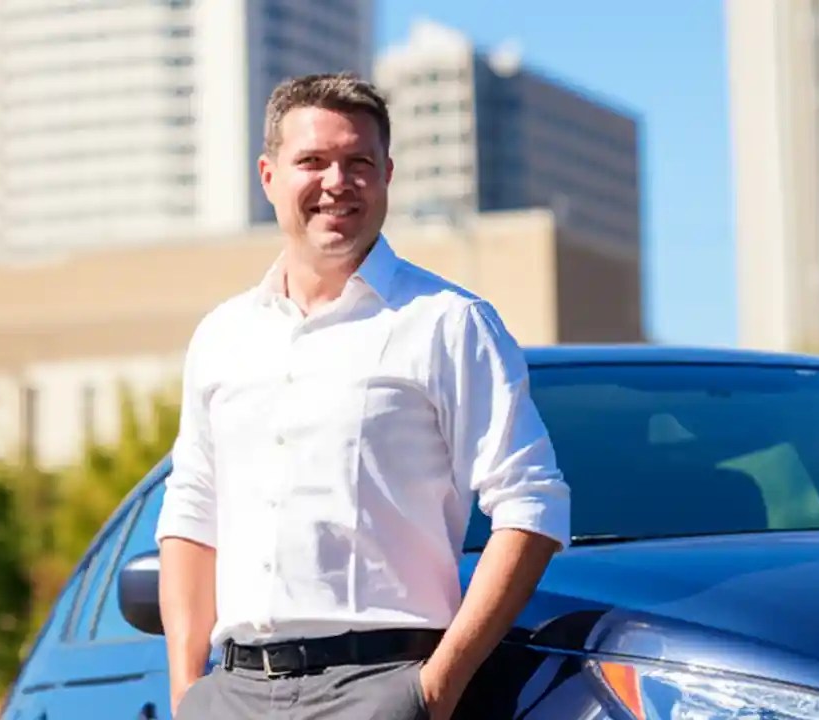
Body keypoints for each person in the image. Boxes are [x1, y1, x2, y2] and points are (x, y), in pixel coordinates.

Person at [153, 73, 571, 719]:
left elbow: (532, 504)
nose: (336, 182)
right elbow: (191, 509)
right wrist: (187, 689)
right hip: (229, 694)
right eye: (312, 162)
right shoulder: (223, 335)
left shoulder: (446, 321)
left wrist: (434, 690)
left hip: (380, 686)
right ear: (268, 175)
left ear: (387, 175)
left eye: (358, 163)